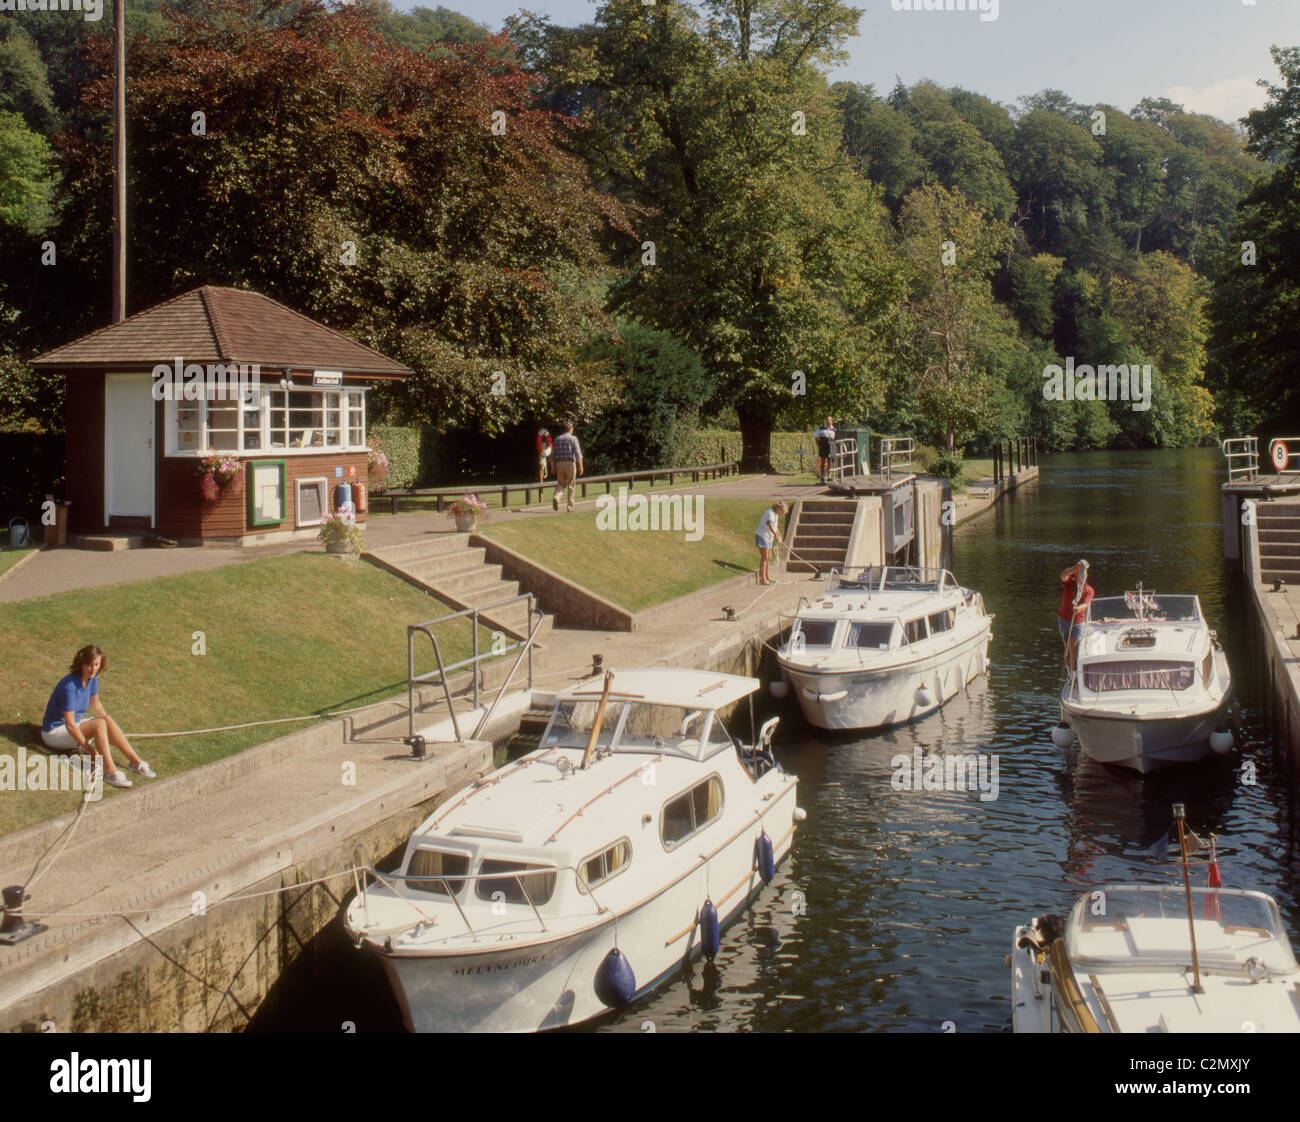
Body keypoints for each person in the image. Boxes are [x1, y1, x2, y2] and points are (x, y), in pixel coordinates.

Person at [41, 645, 155, 789]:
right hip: (54, 733)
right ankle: (110, 771)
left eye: (96, 664)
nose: (93, 669)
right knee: (99, 724)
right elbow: (70, 724)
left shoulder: (92, 679)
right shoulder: (69, 686)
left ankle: (135, 762)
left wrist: (109, 724)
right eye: (89, 665)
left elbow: (96, 706)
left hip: (72, 728)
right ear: (81, 664)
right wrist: (87, 747)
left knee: (105, 720)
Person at [1058, 561, 1094, 672]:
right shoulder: (1069, 582)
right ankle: (1069, 672)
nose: (1080, 576)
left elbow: (1086, 604)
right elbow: (1063, 575)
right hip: (1064, 620)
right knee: (1068, 649)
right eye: (1078, 573)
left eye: (1083, 573)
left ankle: (1074, 675)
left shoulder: (1089, 590)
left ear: (1086, 576)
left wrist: (1079, 609)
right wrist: (1075, 567)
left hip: (1078, 622)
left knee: (1074, 648)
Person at [551, 421, 584, 512]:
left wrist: (553, 466)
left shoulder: (557, 439)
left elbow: (553, 454)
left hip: (559, 464)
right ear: (570, 429)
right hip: (570, 463)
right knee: (571, 485)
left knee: (561, 483)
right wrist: (580, 466)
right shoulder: (573, 439)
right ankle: (569, 507)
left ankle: (557, 497)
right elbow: (578, 454)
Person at [756, 500, 787, 585]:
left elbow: (775, 527)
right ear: (778, 508)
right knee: (765, 558)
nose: (782, 513)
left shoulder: (776, 514)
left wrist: (779, 535)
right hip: (763, 536)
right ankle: (763, 579)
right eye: (782, 511)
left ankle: (768, 577)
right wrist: (775, 535)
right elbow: (770, 525)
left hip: (769, 538)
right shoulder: (770, 513)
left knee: (769, 558)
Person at [814, 417, 836, 483]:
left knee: (830, 462)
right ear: (826, 421)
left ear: (832, 421)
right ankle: (822, 477)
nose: (828, 422)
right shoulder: (821, 428)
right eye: (827, 420)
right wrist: (818, 445)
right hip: (823, 447)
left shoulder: (834, 429)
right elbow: (816, 437)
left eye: (830, 420)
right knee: (823, 462)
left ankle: (829, 477)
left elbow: (835, 438)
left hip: (830, 447)